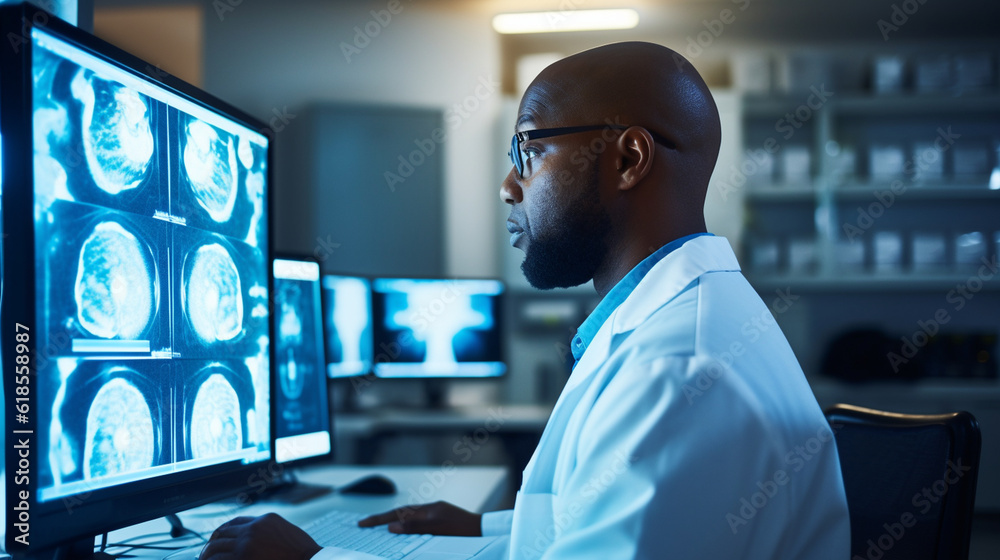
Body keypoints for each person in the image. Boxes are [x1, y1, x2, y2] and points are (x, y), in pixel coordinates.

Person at [200, 41, 849, 560]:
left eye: (530, 150)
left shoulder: (680, 369)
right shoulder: (671, 330)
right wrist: (492, 531)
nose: (509, 186)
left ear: (627, 159)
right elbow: (603, 526)